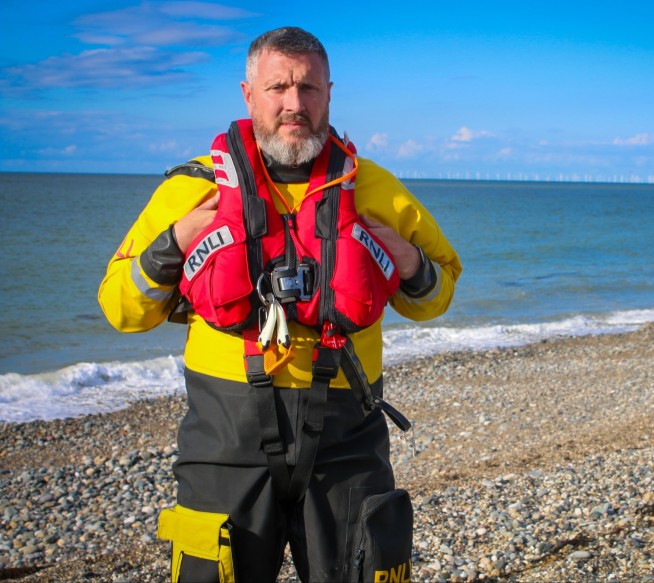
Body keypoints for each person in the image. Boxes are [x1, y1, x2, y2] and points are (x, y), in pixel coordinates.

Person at [98, 26, 461, 583]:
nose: (295, 104)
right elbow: (121, 309)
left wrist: (409, 262)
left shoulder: (376, 189)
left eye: (309, 88)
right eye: (278, 87)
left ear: (329, 94)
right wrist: (172, 244)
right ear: (249, 94)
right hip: (225, 437)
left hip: (347, 438)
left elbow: (439, 294)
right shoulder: (191, 191)